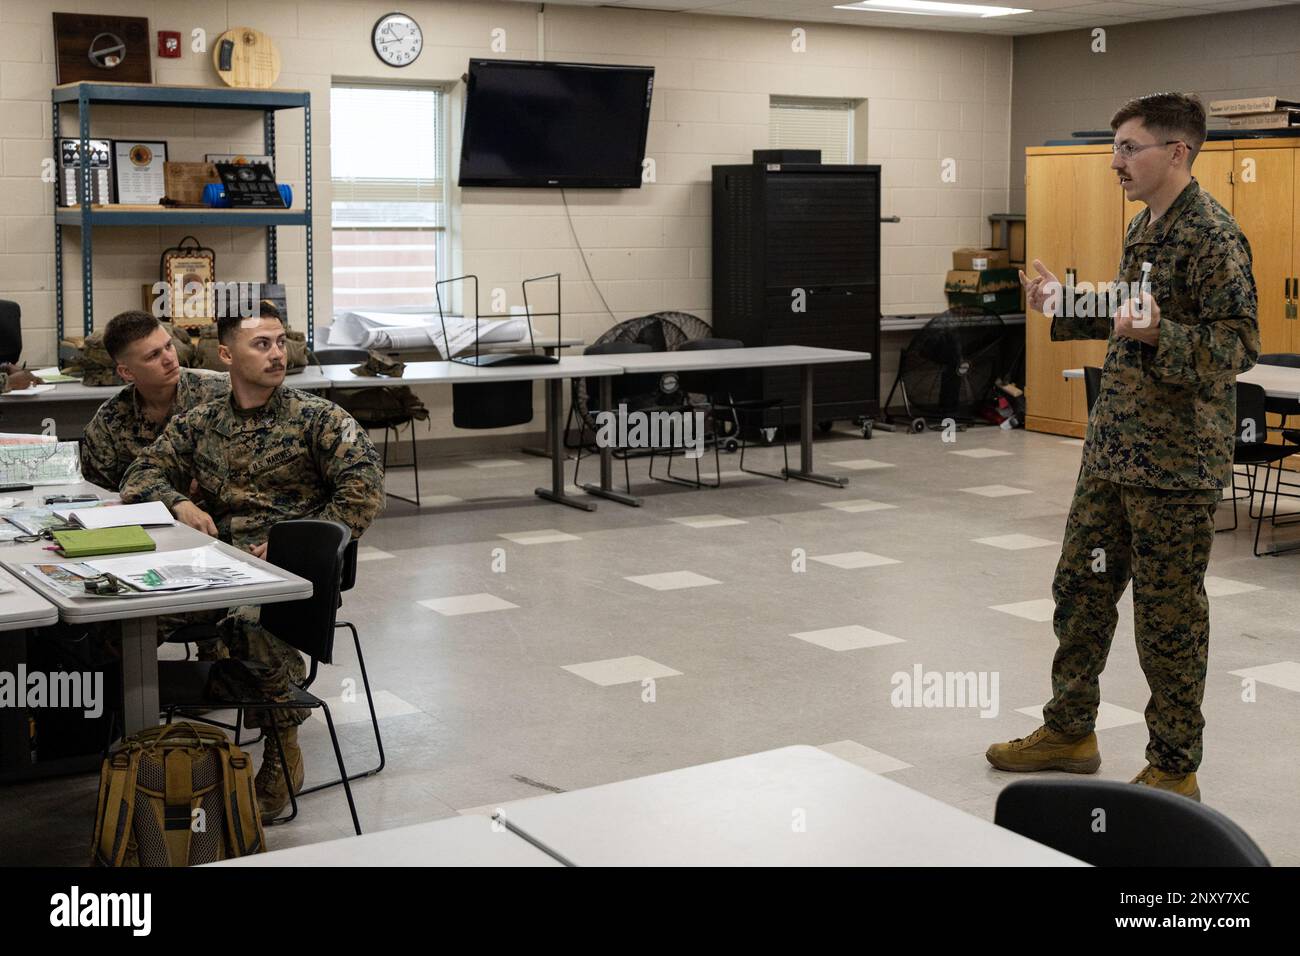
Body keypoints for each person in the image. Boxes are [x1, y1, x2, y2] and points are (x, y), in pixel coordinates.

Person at [987, 92, 1259, 801]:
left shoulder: (1213, 236)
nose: (1116, 162)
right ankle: (1069, 730)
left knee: (1168, 616)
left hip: (1175, 463)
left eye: (1129, 148)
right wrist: (1065, 303)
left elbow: (1237, 345)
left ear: (1177, 152)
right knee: (1080, 591)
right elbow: (1131, 314)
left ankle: (1175, 766)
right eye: (1114, 149)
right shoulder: (1146, 228)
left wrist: (1155, 335)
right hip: (1115, 449)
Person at [121, 301, 384, 821]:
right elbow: (140, 475)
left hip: (284, 576)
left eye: (280, 342)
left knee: (247, 625)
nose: (276, 354)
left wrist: (297, 547)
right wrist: (181, 503)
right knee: (122, 621)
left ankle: (281, 740)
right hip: (213, 566)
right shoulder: (200, 423)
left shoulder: (318, 419)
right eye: (261, 344)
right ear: (226, 355)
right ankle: (150, 747)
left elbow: (364, 489)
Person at [80, 310, 228, 490]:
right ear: (126, 372)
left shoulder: (219, 392)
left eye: (168, 346)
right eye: (153, 355)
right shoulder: (108, 422)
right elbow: (99, 495)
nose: (169, 359)